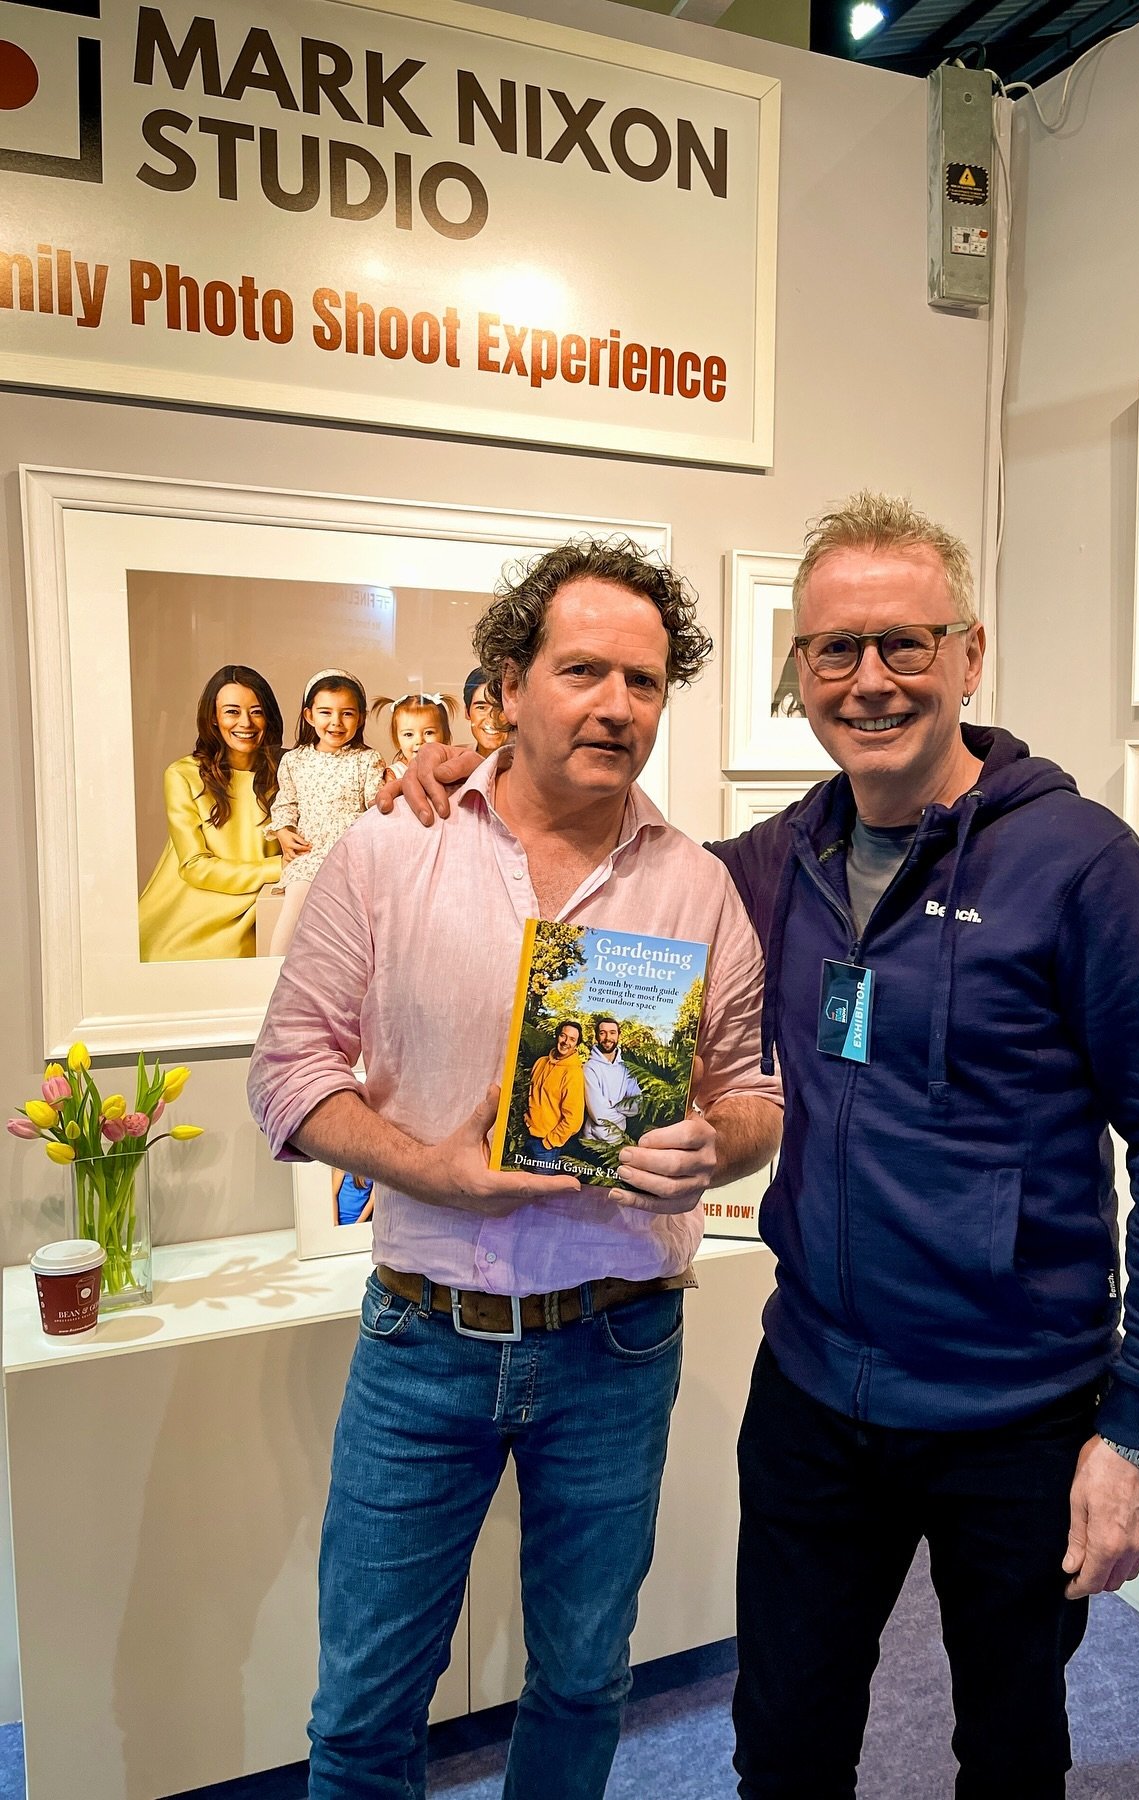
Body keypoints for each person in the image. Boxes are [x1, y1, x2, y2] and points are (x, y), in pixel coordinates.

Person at [398, 493, 1139, 1799]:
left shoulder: (1082, 867)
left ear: (971, 652)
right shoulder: (776, 863)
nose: (872, 679)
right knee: (781, 1743)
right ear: (799, 673)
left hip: (1015, 1411)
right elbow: (624, 873)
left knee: (1010, 1749)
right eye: (836, 650)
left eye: (907, 643)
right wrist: (491, 773)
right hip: (813, 1398)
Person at [249, 538, 783, 1800]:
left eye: (644, 682)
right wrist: (428, 1165)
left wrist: (722, 1142)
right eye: (583, 669)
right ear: (508, 685)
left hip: (619, 1346)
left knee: (585, 1681)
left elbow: (756, 1088)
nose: (615, 706)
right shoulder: (390, 846)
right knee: (366, 1707)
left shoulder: (698, 887)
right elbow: (288, 1072)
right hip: (421, 1340)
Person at [137, 663, 285, 961]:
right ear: (213, 718)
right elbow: (194, 866)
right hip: (193, 910)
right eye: (232, 711)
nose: (246, 722)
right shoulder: (183, 774)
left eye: (256, 711)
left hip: (265, 904)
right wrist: (281, 867)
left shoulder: (292, 768)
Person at [266, 670, 388, 958]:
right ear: (309, 715)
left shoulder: (366, 759)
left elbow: (376, 802)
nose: (336, 722)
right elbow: (286, 803)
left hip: (353, 853)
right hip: (310, 853)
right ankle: (272, 971)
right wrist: (283, 831)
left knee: (357, 918)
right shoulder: (294, 761)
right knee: (296, 905)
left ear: (360, 718)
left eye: (347, 713)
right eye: (325, 712)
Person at [522, 1019, 586, 1169]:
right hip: (526, 1137)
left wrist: (548, 1142)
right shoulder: (540, 1062)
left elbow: (574, 1120)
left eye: (572, 1039)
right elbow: (529, 1094)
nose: (566, 1042)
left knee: (540, 1191)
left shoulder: (573, 1073)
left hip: (545, 1147)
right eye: (563, 1036)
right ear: (557, 1036)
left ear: (576, 1045)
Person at [582, 1016, 644, 1148]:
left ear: (618, 1036)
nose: (607, 1037)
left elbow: (638, 1105)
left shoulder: (626, 1068)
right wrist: (622, 1109)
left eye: (612, 1032)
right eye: (602, 1033)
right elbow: (598, 1115)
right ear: (597, 1037)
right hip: (593, 1142)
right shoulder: (589, 1068)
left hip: (619, 1141)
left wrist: (612, 1105)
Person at [376, 691, 458, 780]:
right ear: (397, 740)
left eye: (429, 732)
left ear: (445, 736)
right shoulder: (395, 774)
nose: (419, 741)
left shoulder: (451, 768)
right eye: (408, 734)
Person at [465, 663, 511, 754]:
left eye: (501, 709)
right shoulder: (454, 759)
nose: (492, 719)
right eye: (481, 708)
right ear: (467, 712)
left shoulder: (532, 765)